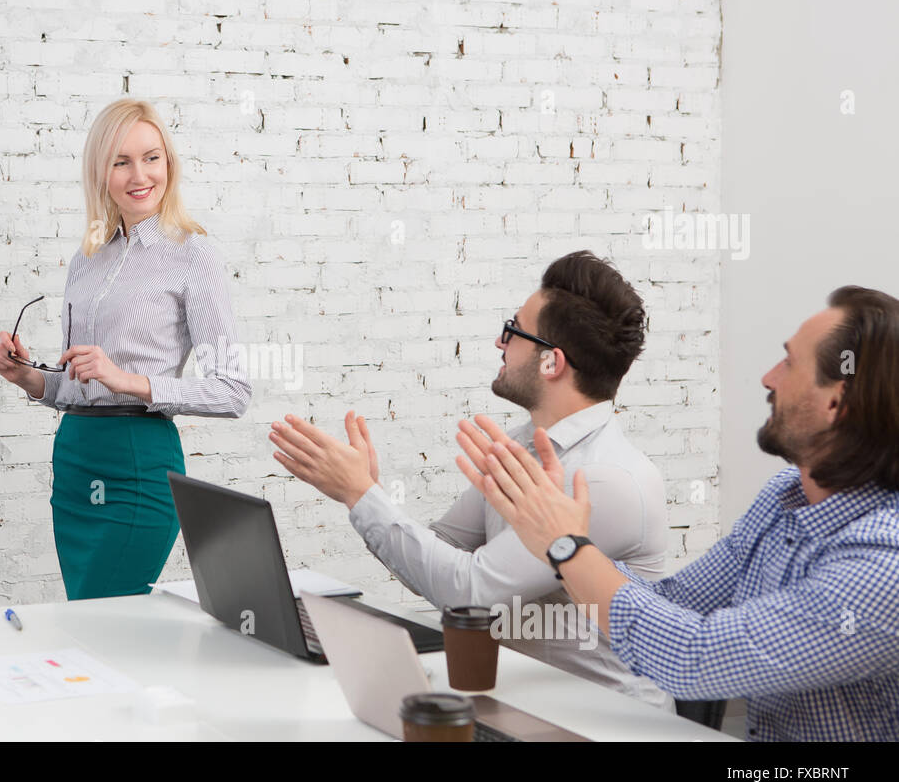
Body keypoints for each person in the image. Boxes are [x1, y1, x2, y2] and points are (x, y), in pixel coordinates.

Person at [459, 286, 899, 740]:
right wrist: (560, 533)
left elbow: (697, 657)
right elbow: (673, 601)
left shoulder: (883, 564)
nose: (768, 378)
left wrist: (566, 545)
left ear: (836, 402)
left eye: (789, 363)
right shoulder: (783, 499)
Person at [268, 251, 672, 708]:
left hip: (604, 722)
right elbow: (443, 552)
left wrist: (361, 495)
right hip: (522, 706)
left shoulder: (604, 481)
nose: (500, 343)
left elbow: (468, 592)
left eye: (513, 330)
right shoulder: (526, 444)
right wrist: (369, 490)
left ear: (551, 363)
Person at [0, 99, 251, 600]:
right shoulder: (87, 259)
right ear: (100, 171)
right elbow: (76, 385)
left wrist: (127, 379)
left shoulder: (193, 255)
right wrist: (27, 377)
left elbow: (233, 392)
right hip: (73, 463)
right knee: (87, 622)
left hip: (138, 464)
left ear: (169, 163)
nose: (140, 174)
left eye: (152, 157)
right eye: (121, 161)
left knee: (109, 619)